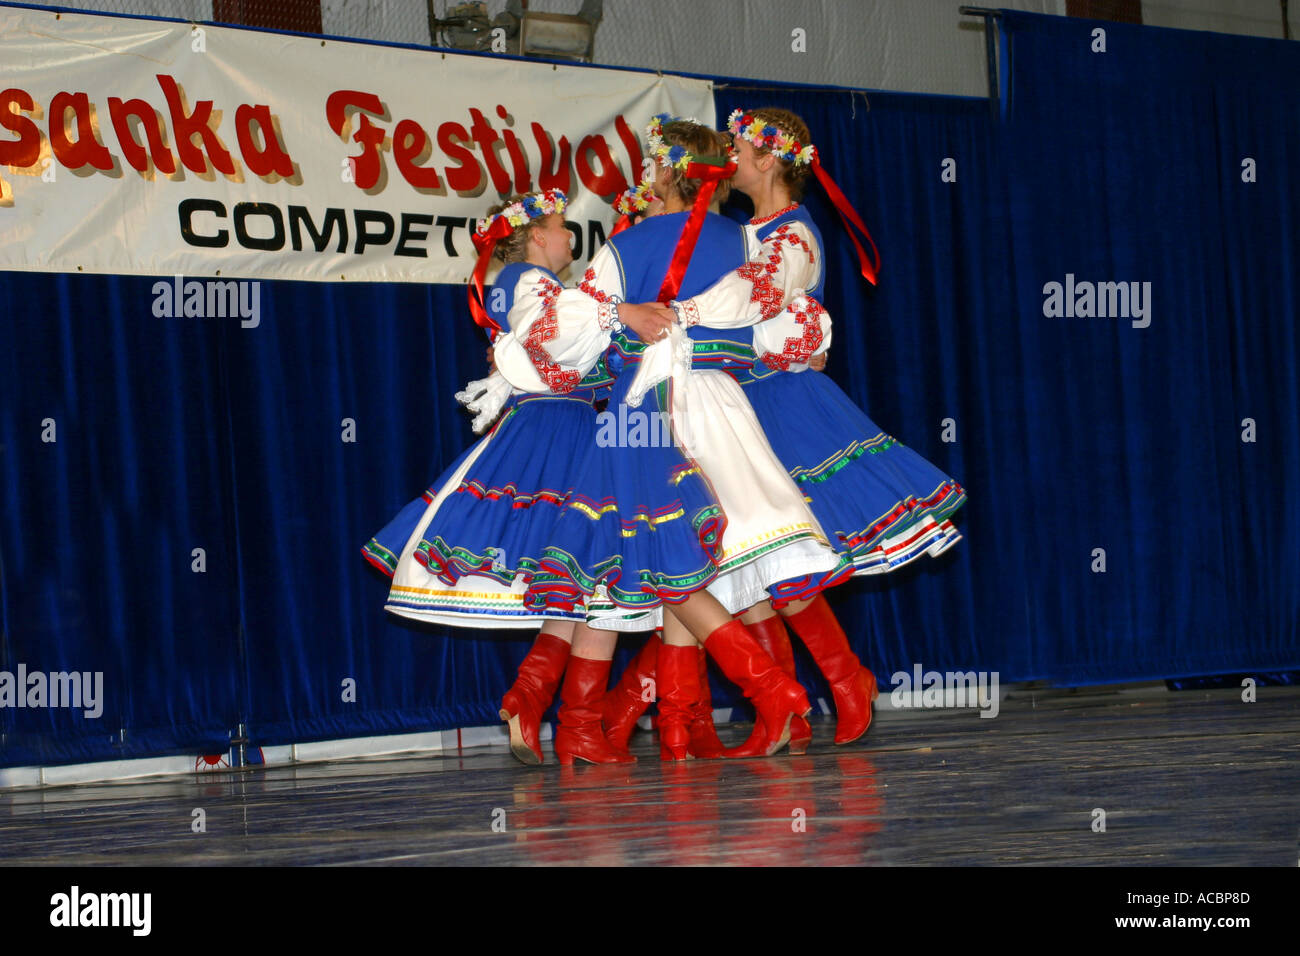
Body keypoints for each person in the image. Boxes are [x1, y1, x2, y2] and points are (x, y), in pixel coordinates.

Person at [363, 189, 673, 766]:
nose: (568, 240)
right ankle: (576, 725)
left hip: (568, 426)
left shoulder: (544, 289)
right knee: (598, 576)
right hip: (558, 430)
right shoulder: (529, 283)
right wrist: (618, 320)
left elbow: (569, 350)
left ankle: (530, 700)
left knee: (577, 580)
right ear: (534, 237)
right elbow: (554, 346)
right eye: (560, 229)